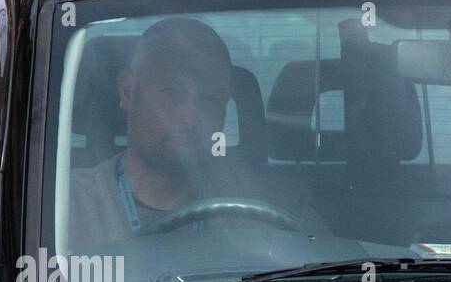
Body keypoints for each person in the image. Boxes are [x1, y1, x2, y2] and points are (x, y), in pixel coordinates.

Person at [67, 17, 322, 250]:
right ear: (128, 91)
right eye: (173, 95)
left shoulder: (281, 205)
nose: (191, 117)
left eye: (209, 101)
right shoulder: (66, 207)